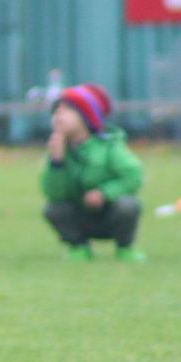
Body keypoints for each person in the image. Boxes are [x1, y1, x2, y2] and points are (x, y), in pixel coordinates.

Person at [41, 84, 146, 263]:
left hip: (109, 214)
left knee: (128, 205)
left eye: (66, 110)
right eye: (55, 111)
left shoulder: (110, 147)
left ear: (85, 116)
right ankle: (78, 247)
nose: (58, 116)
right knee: (53, 208)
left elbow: (134, 176)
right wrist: (56, 162)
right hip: (80, 214)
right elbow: (54, 194)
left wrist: (105, 193)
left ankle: (125, 248)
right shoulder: (59, 150)